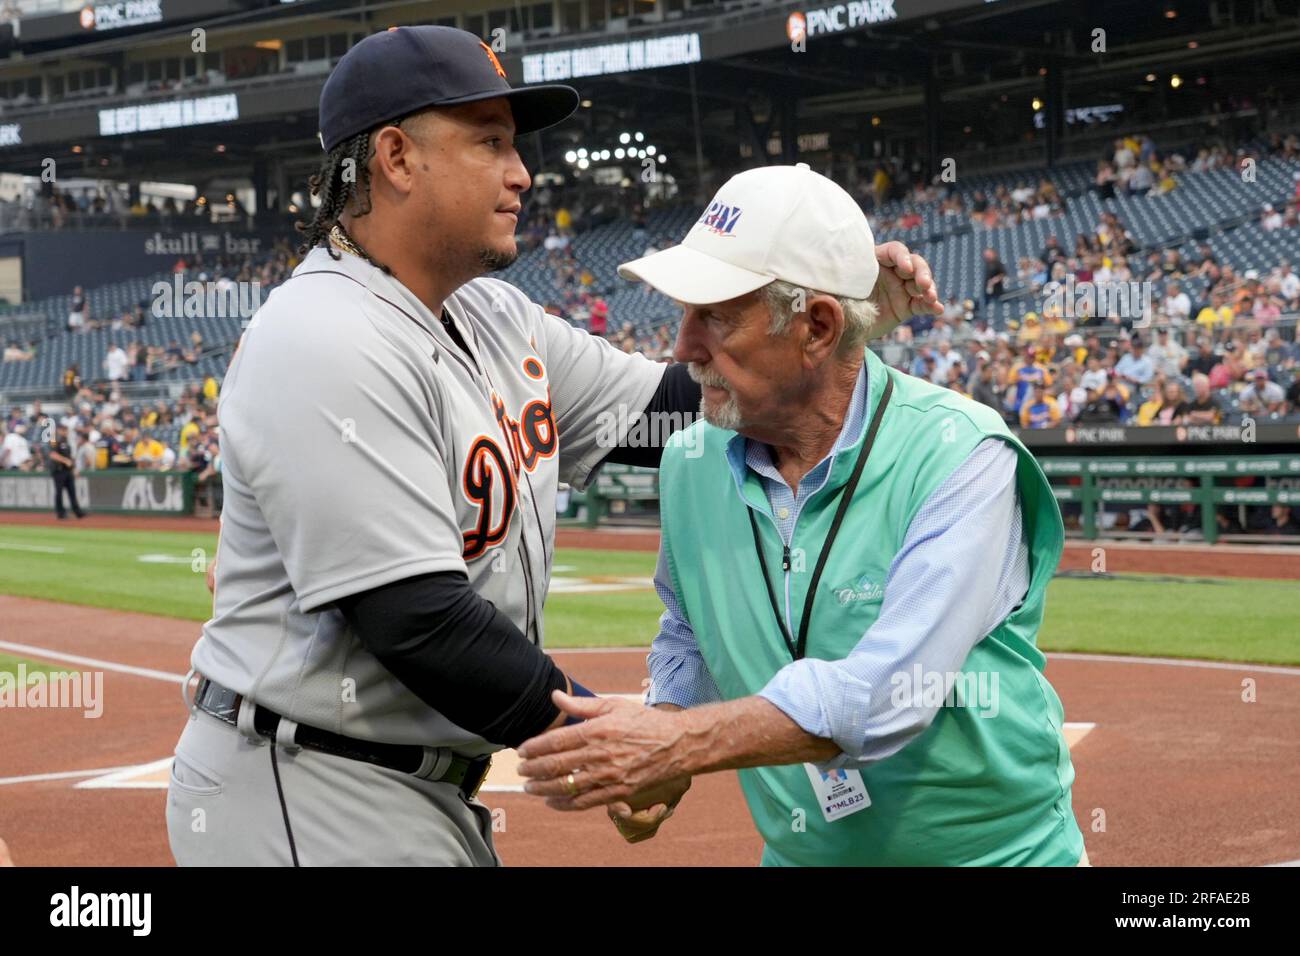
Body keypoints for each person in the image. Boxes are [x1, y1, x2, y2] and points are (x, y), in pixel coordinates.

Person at [165, 25, 944, 867]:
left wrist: (818, 323)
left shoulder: (493, 316)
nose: (521, 172)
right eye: (490, 142)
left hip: (407, 787)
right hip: (310, 786)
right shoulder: (323, 334)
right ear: (395, 157)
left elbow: (673, 410)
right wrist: (620, 743)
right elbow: (420, 623)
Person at [515, 164, 1085, 867]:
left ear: (818, 326)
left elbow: (887, 698)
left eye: (716, 316)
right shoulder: (690, 458)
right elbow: (690, 631)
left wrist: (681, 742)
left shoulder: (960, 453)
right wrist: (666, 722)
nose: (684, 346)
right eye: (685, 314)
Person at [47, 424, 85, 520]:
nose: (65, 432)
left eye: (66, 430)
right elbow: (53, 455)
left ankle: (78, 512)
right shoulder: (54, 440)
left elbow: (70, 457)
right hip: (58, 471)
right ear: (59, 430)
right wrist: (65, 461)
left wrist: (74, 468)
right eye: (63, 430)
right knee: (59, 492)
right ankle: (60, 513)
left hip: (67, 471)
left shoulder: (66, 442)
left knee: (72, 492)